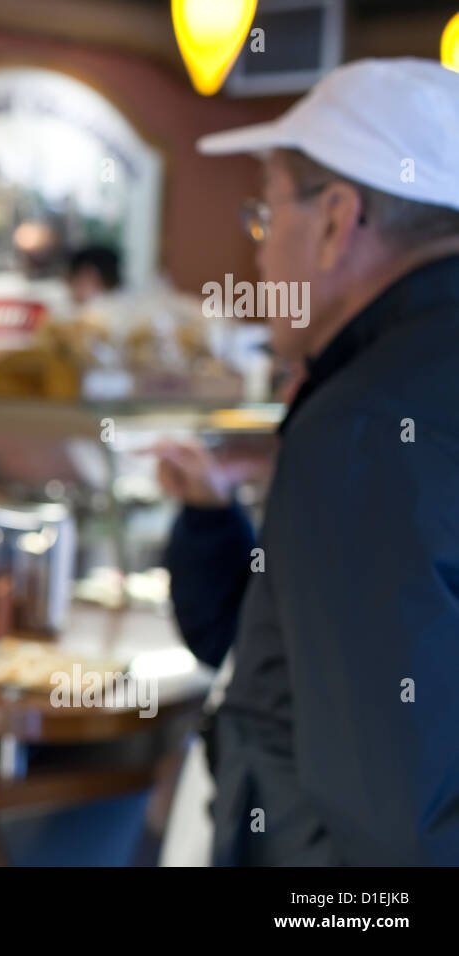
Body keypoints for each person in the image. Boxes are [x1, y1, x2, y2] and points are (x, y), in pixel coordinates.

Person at [162, 58, 459, 866]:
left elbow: (402, 831)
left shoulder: (366, 424)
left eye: (264, 216)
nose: (258, 255)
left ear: (335, 221)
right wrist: (208, 514)